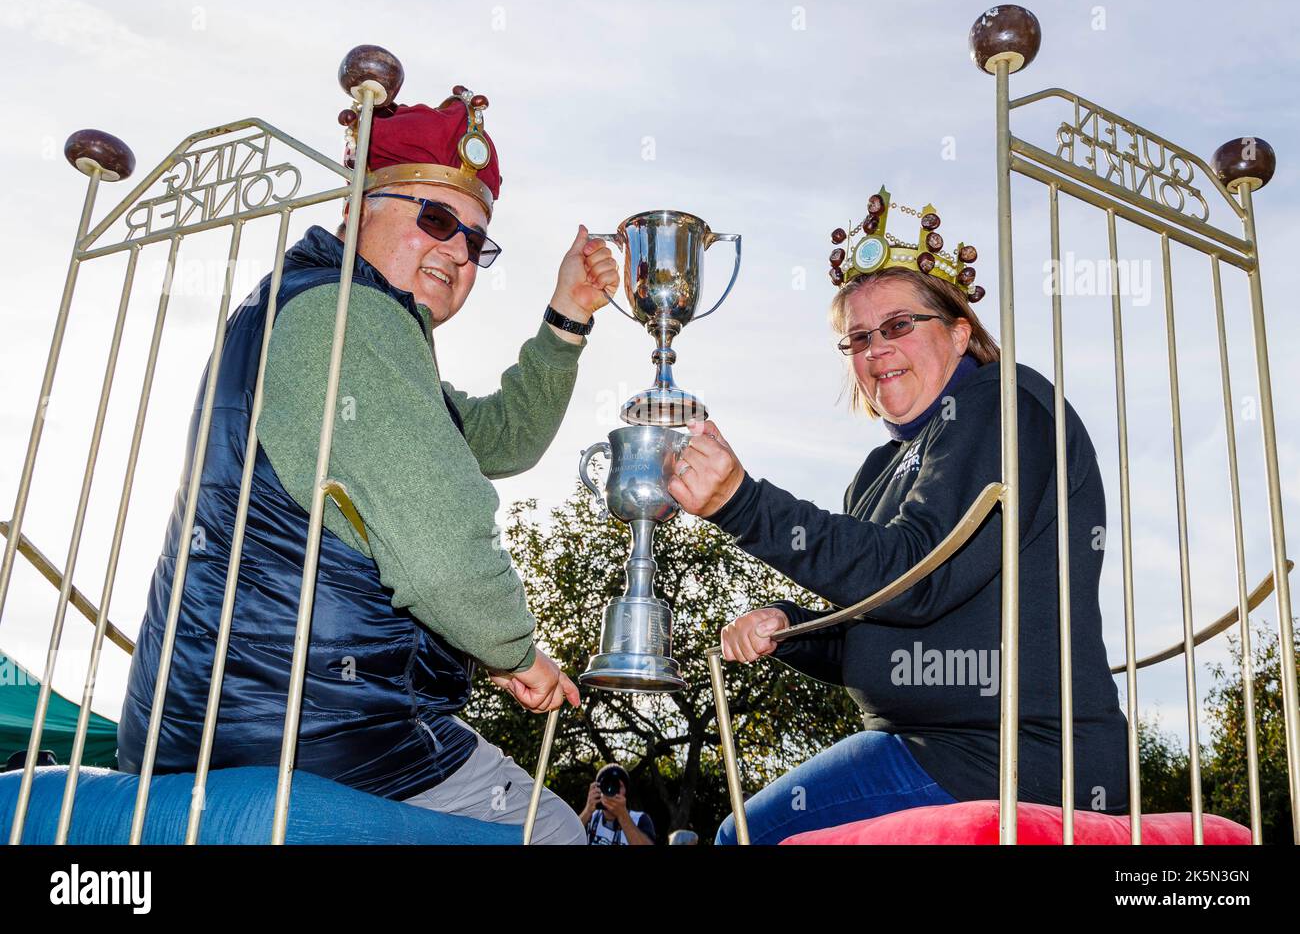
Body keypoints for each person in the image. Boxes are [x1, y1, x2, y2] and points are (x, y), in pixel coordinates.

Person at [116, 87, 619, 844]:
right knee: (553, 830)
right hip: (314, 733)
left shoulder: (324, 313)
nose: (458, 250)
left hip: (232, 720)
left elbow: (500, 435)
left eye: (476, 242)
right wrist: (516, 652)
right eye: (437, 219)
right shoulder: (351, 320)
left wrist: (567, 316)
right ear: (358, 208)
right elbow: (446, 558)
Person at [667, 189, 1130, 845]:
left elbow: (916, 576)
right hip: (928, 749)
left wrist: (743, 502)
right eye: (857, 337)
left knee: (740, 837)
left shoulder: (1004, 403)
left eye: (897, 326)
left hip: (1014, 755)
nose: (875, 349)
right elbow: (880, 619)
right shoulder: (878, 472)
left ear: (960, 331)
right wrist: (793, 628)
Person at [577, 763, 657, 845]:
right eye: (607, 784)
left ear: (626, 792)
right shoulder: (592, 817)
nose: (611, 789)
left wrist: (623, 815)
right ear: (597, 788)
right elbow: (566, 837)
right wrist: (587, 810)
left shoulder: (639, 819)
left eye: (618, 785)